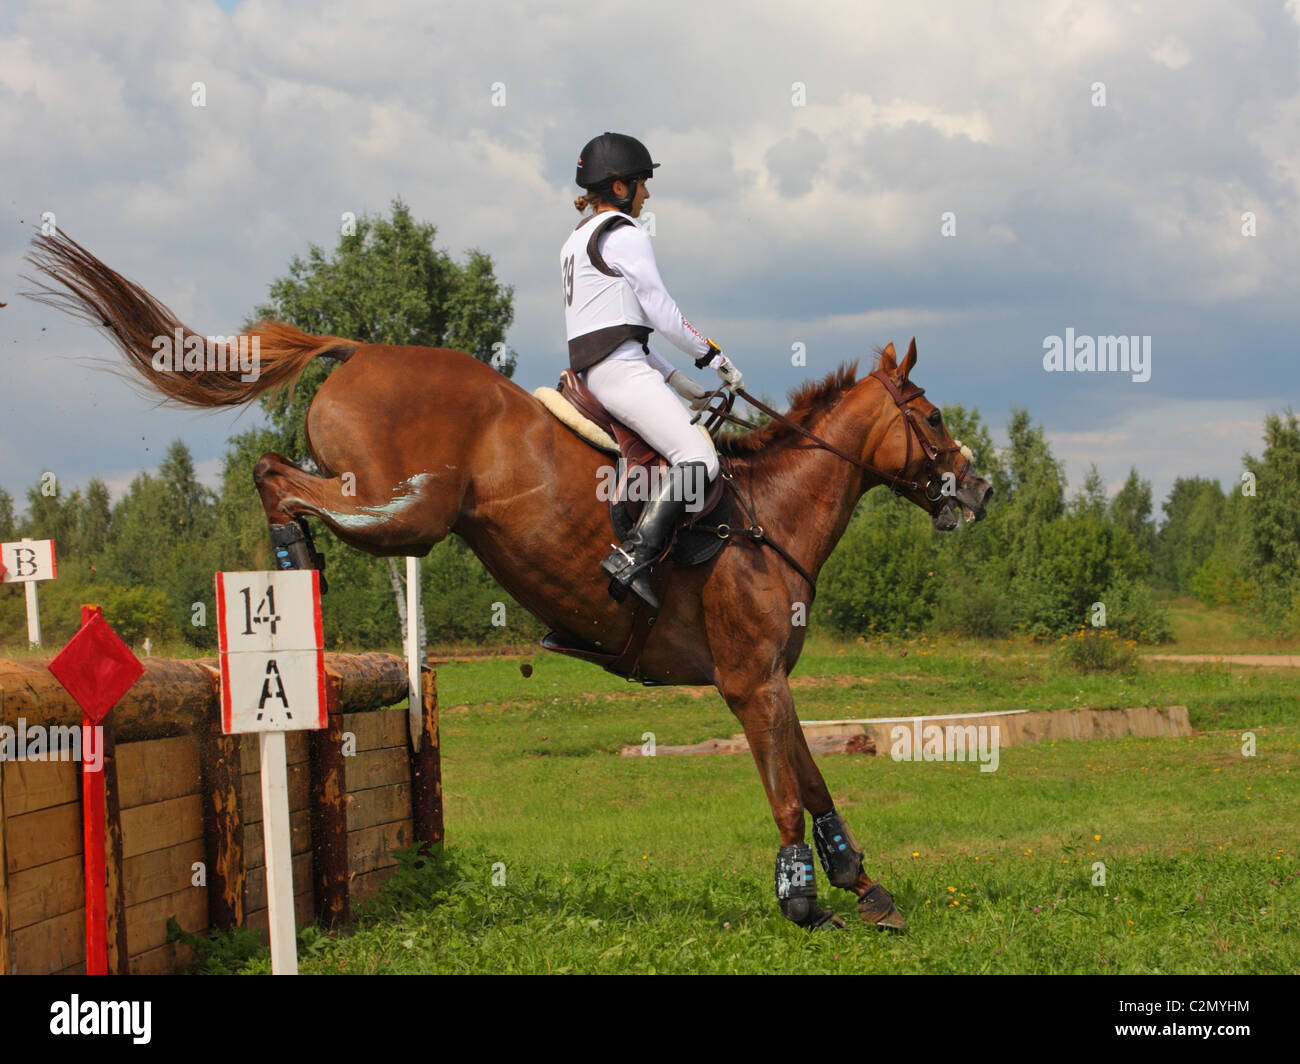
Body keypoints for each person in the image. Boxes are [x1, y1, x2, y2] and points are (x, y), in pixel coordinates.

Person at [561, 132, 743, 610]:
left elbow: (615, 328)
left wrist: (676, 380)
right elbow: (662, 312)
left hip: (603, 368)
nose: (648, 194)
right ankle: (635, 556)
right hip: (620, 372)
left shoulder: (576, 241)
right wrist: (714, 358)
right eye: (643, 183)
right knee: (699, 459)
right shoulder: (625, 234)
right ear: (620, 188)